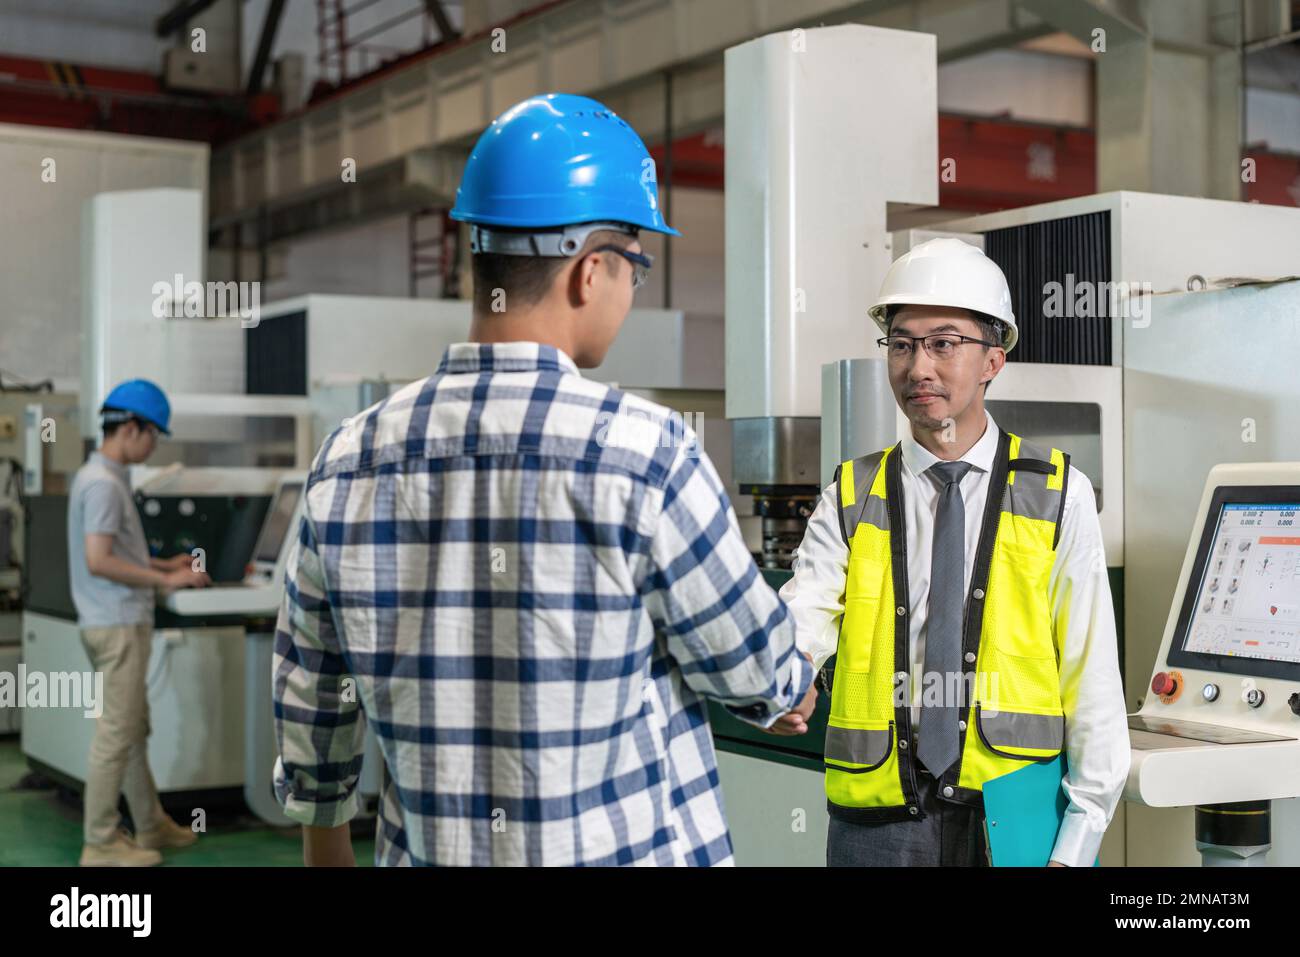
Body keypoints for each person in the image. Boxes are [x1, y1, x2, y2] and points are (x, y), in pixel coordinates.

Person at [272, 93, 816, 867]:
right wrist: (787, 682)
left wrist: (325, 841)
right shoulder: (646, 450)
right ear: (592, 271)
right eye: (636, 265)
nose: (631, 291)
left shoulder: (348, 458)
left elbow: (313, 692)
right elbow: (751, 662)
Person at [773, 238, 1129, 866]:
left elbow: (1090, 672)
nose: (918, 368)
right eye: (903, 344)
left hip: (1014, 811)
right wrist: (782, 680)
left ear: (993, 359)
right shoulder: (852, 495)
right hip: (877, 821)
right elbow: (804, 616)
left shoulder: (1054, 494)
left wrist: (1079, 838)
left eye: (943, 343)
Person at [67, 378, 211, 866]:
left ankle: (149, 825)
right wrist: (164, 583)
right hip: (118, 624)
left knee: (130, 729)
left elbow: (115, 553)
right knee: (116, 735)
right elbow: (99, 560)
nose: (153, 447)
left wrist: (166, 565)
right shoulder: (104, 484)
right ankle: (101, 842)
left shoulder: (100, 477)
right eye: (154, 435)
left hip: (112, 621)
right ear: (132, 427)